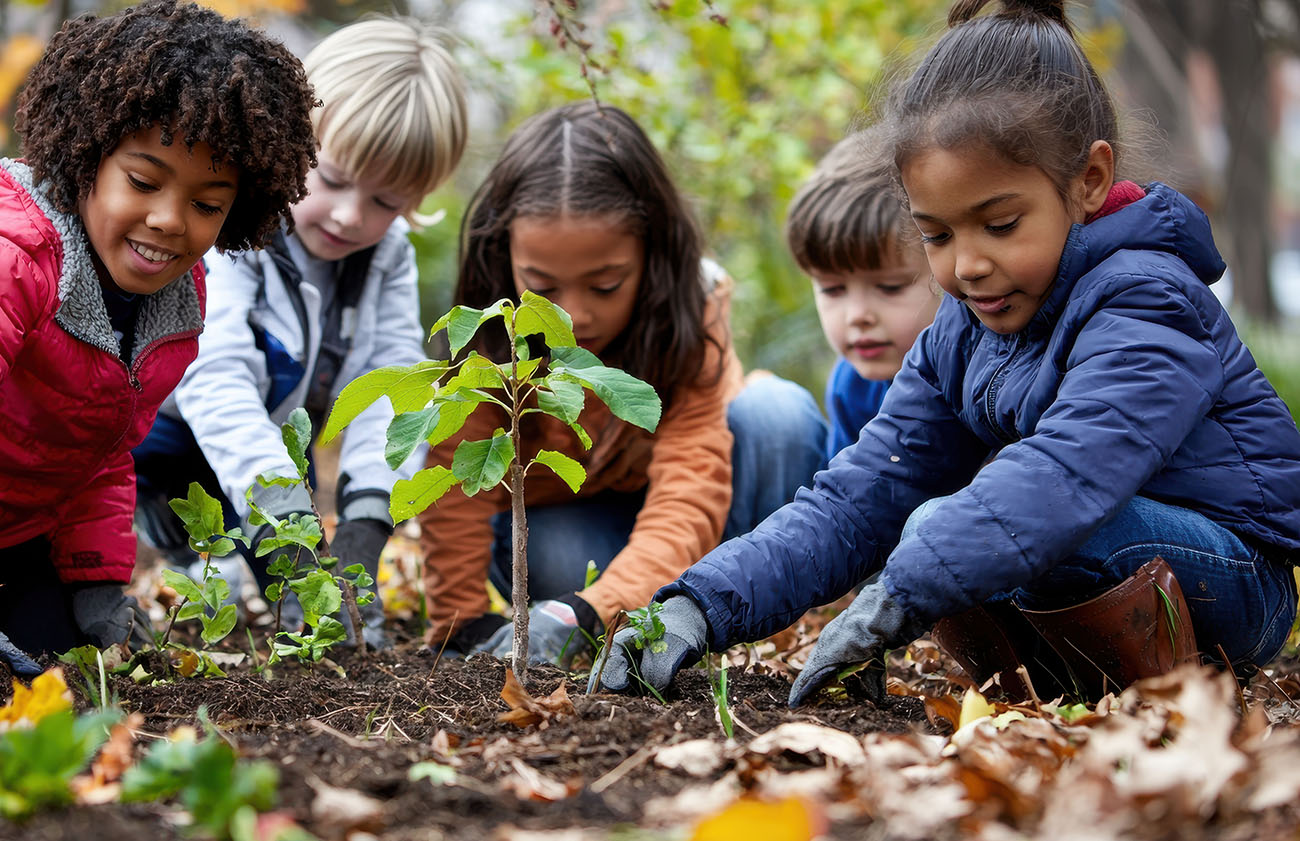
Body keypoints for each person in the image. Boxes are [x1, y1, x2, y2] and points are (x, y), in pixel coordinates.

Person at [596, 0, 1300, 704]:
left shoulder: (1148, 298)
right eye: (936, 235)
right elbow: (860, 494)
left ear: (1087, 182)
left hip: (1232, 579)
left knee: (944, 528)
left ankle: (1146, 690)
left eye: (999, 224)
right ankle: (1050, 687)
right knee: (935, 522)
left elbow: (1068, 474)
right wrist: (693, 607)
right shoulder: (961, 331)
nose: (966, 266)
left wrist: (897, 595)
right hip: (1097, 551)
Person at [0, 0, 317, 710]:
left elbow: (101, 445)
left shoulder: (178, 301)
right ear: (86, 159)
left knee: (56, 685)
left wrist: (98, 580)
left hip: (14, 522)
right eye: (143, 181)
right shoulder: (4, 261)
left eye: (207, 203)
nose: (169, 219)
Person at [420, 102, 830, 666]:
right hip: (575, 523)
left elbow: (691, 483)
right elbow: (458, 480)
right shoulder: (488, 328)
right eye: (542, 286)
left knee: (778, 414)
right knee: (565, 561)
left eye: (606, 285)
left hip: (699, 520)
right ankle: (636, 613)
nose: (574, 316)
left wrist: (597, 607)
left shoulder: (687, 312)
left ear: (651, 255)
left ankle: (744, 612)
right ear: (504, 253)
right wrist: (460, 623)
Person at [133, 18, 468, 649]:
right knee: (226, 537)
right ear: (292, 143)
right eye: (334, 180)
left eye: (385, 201)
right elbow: (216, 373)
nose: (350, 215)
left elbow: (389, 385)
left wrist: (367, 524)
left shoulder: (386, 255)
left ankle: (261, 560)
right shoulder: (238, 225)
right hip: (171, 421)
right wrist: (284, 513)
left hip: (277, 429)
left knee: (302, 587)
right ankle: (176, 532)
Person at [785, 128, 940, 460]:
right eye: (832, 289)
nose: (857, 315)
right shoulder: (852, 385)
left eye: (889, 287)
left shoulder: (981, 380)